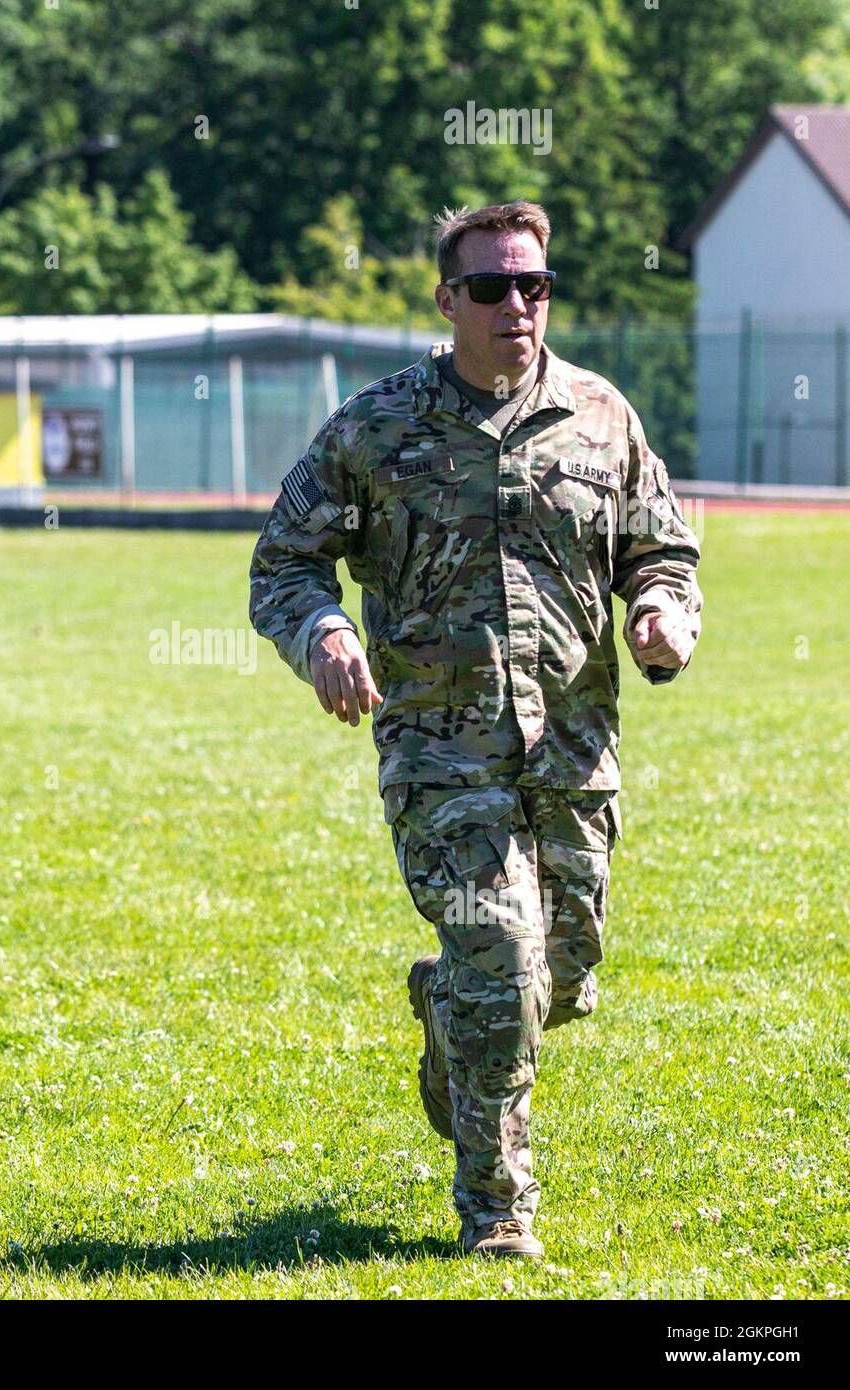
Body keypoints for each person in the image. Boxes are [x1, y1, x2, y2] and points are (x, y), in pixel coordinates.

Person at [249, 200, 702, 1260]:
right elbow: (285, 558)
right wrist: (319, 632)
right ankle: (497, 1209)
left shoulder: (600, 416)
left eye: (533, 286)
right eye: (492, 286)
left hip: (573, 756)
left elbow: (661, 547)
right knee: (501, 955)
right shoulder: (377, 426)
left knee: (563, 974)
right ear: (446, 298)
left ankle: (446, 1019)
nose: (516, 306)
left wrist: (660, 608)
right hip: (439, 751)